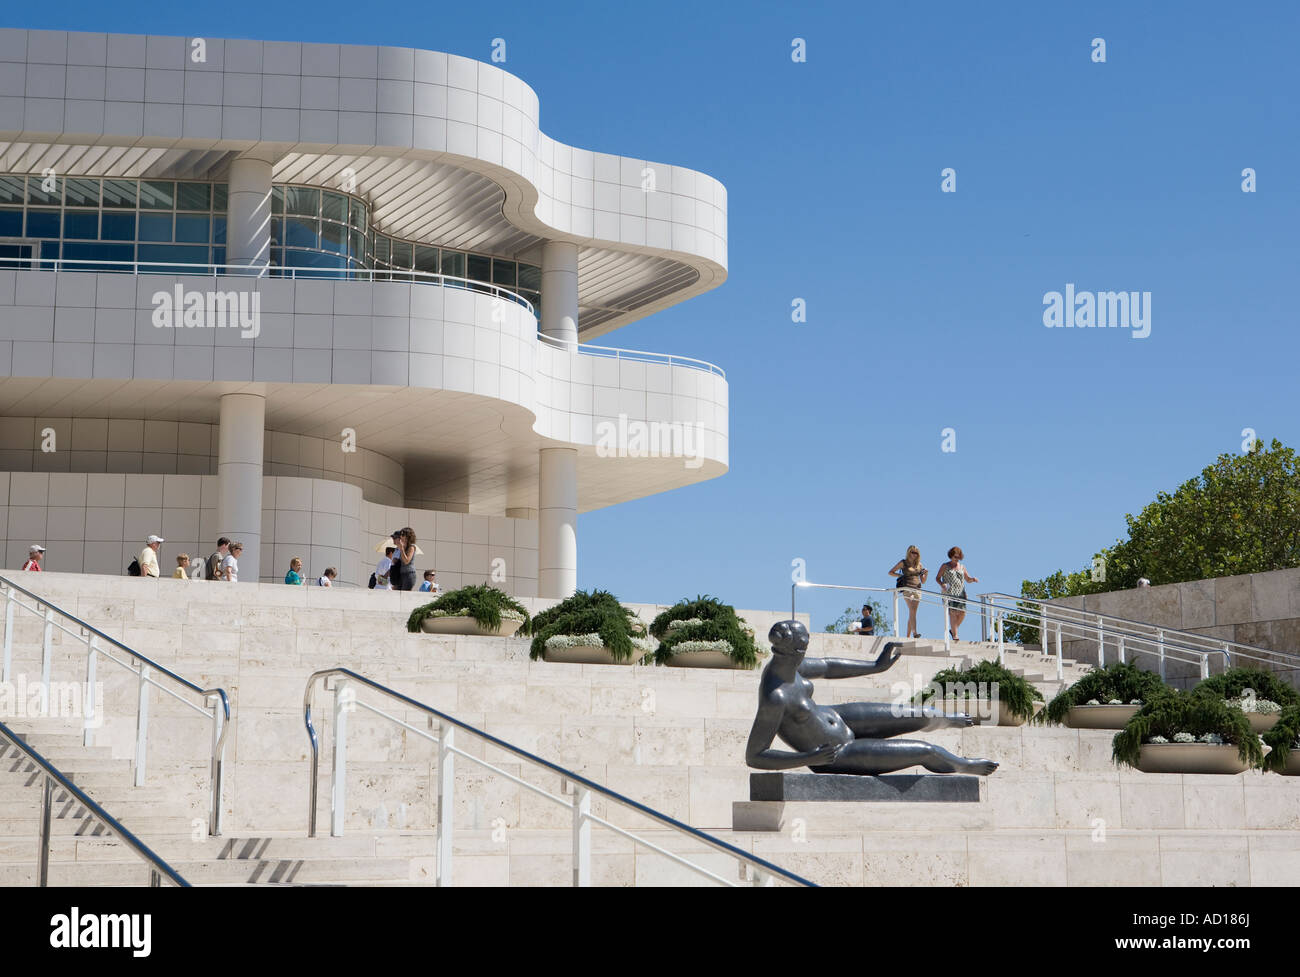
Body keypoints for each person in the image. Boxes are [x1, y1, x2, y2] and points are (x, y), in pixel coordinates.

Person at [745, 620, 997, 776]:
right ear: (790, 651)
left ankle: (946, 720)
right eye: (803, 649)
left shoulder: (792, 666)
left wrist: (876, 667)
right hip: (838, 752)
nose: (806, 655)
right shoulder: (774, 696)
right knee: (926, 751)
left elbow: (828, 666)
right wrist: (808, 759)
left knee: (921, 713)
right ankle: (964, 765)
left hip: (842, 717)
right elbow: (755, 755)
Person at [936, 546, 979, 641]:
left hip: (961, 593)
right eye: (955, 557)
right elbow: (937, 578)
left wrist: (973, 579)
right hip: (949, 593)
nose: (956, 559)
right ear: (951, 556)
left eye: (958, 557)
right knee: (953, 613)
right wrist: (942, 584)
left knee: (963, 613)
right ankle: (955, 635)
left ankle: (953, 630)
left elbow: (967, 579)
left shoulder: (962, 567)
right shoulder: (945, 566)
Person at [888, 546, 927, 638]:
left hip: (917, 588)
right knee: (912, 610)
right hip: (907, 588)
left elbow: (923, 581)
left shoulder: (919, 565)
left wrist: (925, 574)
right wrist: (900, 575)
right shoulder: (903, 562)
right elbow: (891, 572)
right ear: (909, 553)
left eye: (916, 553)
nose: (914, 554)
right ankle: (915, 633)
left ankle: (908, 636)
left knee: (912, 612)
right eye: (912, 552)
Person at [391, 527, 418, 592]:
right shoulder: (402, 547)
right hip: (401, 574)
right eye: (401, 535)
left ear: (408, 536)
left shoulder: (411, 547)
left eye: (403, 535)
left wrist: (401, 549)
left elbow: (406, 561)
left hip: (409, 574)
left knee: (404, 596)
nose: (401, 537)